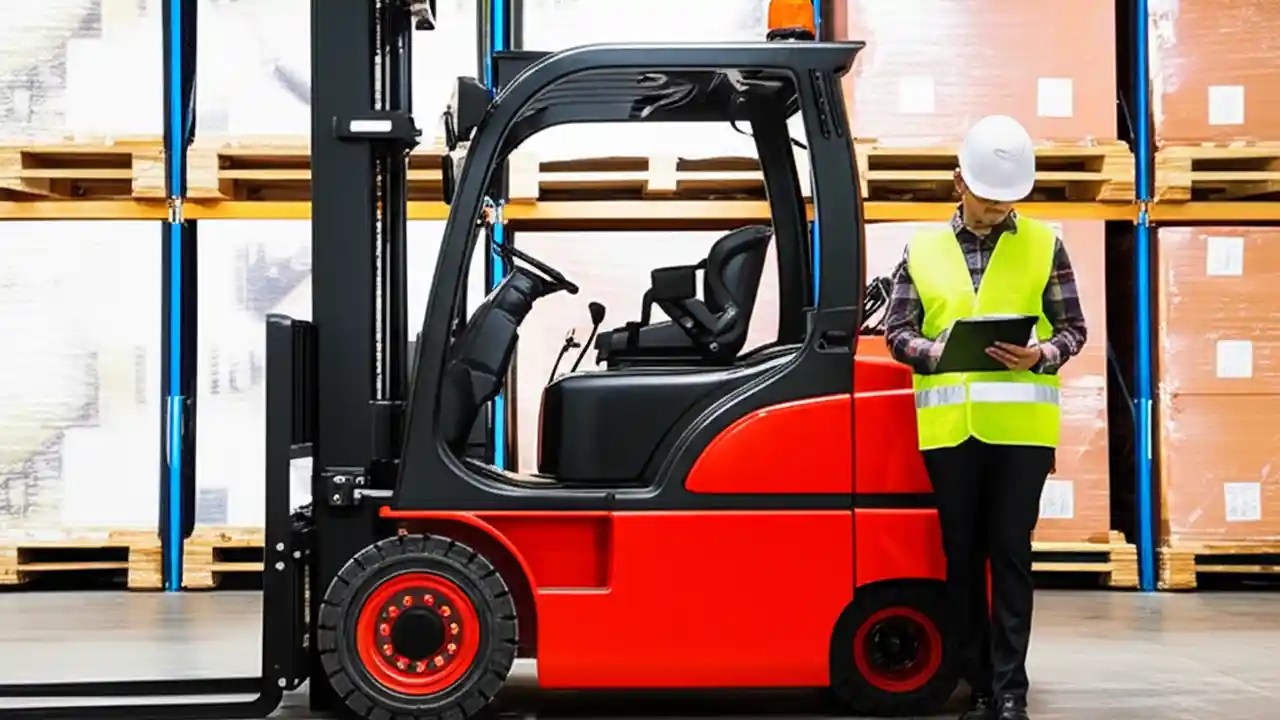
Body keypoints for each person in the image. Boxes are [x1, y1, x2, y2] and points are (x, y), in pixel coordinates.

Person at [882, 114, 1087, 720]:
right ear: (958, 184)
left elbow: (1074, 330)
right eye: (986, 199)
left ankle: (1010, 690)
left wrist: (1041, 355)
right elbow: (897, 333)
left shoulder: (1045, 244)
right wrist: (934, 352)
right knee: (961, 555)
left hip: (1021, 433)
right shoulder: (920, 250)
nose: (996, 211)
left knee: (1010, 552)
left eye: (1006, 202)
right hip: (951, 432)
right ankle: (974, 683)